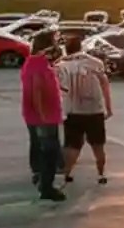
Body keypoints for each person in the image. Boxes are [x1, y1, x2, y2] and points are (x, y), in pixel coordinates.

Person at [56, 35, 113, 184]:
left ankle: (67, 174)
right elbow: (105, 85)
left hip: (73, 111)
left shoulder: (61, 65)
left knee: (72, 145)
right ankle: (101, 174)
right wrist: (108, 107)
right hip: (94, 110)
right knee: (98, 146)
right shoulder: (95, 63)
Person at [22, 31, 66, 202]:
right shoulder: (39, 64)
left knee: (39, 146)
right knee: (50, 152)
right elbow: (37, 91)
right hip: (44, 117)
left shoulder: (33, 62)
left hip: (35, 116)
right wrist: (43, 115)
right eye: (54, 42)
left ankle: (39, 176)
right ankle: (46, 187)